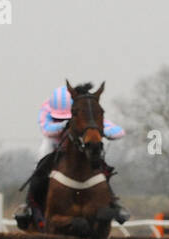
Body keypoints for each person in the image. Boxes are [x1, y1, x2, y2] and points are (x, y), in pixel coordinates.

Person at [14, 84, 130, 229]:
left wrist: (99, 132)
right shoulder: (46, 109)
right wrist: (64, 125)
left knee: (100, 166)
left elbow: (118, 132)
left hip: (80, 144)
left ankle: (114, 203)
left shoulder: (87, 111)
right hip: (54, 143)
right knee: (41, 168)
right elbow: (47, 129)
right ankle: (28, 207)